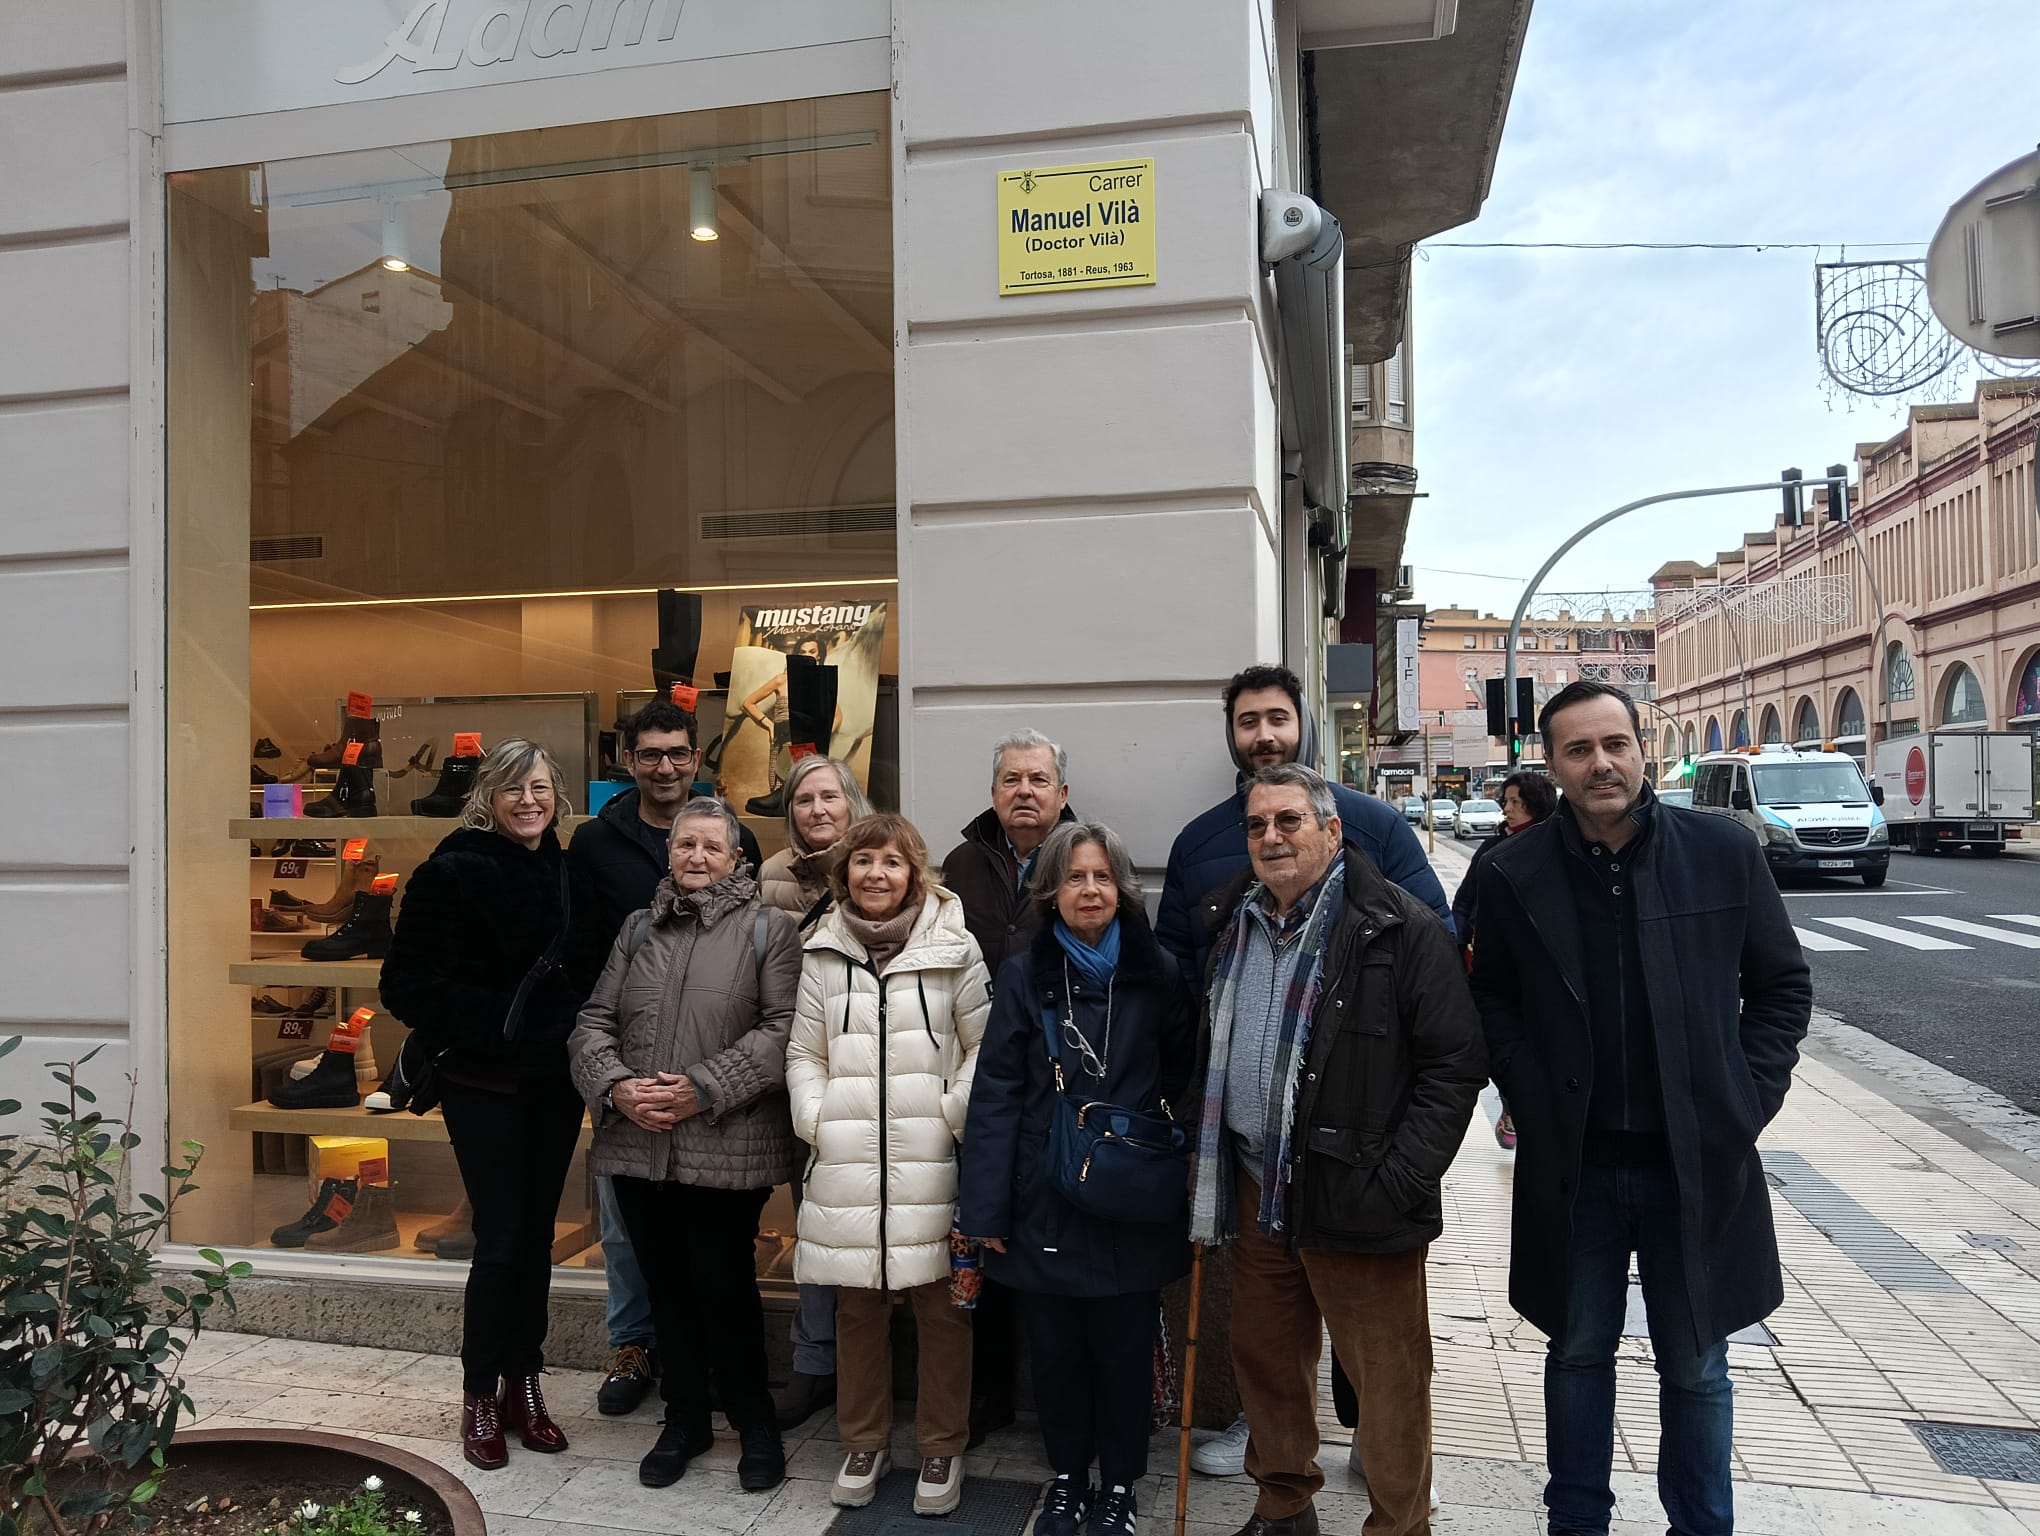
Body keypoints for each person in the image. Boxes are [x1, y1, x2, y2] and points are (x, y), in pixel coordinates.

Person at [1469, 681, 1811, 1536]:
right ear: (1551, 765)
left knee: (1696, 1365)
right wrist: (1528, 1092)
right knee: (1577, 1352)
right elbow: (1492, 1000)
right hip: (1574, 1165)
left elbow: (1781, 988)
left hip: (1693, 1161)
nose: (1601, 763)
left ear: (1642, 747)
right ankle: (1575, 1522)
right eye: (1578, 750)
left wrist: (1744, 1098)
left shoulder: (1721, 853)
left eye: (1614, 743)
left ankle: (1700, 1525)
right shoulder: (1513, 871)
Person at [1161, 665, 1452, 1481]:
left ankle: (1387, 1489)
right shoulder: (1206, 862)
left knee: (1383, 1361)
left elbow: (1444, 1024)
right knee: (1266, 1342)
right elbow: (1187, 986)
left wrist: (1400, 1171)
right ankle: (1280, 1485)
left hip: (1358, 1164)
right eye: (1247, 721)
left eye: (1276, 718)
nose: (1272, 837)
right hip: (1253, 1172)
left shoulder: (1377, 833)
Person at [1190, 764, 1485, 1536]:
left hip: (1360, 1191)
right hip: (1258, 1187)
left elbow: (1455, 1065)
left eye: (1289, 821)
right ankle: (1284, 1506)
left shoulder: (1398, 927)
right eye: (1257, 826)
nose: (1271, 838)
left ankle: (1399, 1524)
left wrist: (1398, 1182)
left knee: (1386, 1380)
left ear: (1333, 831)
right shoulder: (1231, 920)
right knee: (1266, 1359)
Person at [959, 823, 1195, 1536]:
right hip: (1043, 1193)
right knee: (1055, 1351)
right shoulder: (1026, 974)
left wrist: (1161, 1153)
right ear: (1051, 893)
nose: (1088, 890)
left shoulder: (1159, 974)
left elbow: (1184, 1077)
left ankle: (1119, 1485)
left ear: (1123, 888)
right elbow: (996, 1093)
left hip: (1132, 1194)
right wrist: (985, 1210)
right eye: (1073, 878)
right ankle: (1066, 1478)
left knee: (1124, 1352)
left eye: (1101, 877)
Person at [568, 797, 801, 1493]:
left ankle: (754, 1422)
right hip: (639, 1144)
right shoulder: (639, 929)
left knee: (724, 1286)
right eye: (683, 846)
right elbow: (591, 1022)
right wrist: (615, 1087)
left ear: (737, 858)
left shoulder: (769, 929)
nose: (696, 857)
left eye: (711, 847)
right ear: (668, 854)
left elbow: (783, 1030)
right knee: (665, 1288)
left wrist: (701, 1087)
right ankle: (685, 1420)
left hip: (724, 1145)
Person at [379, 738, 584, 1473]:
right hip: (484, 1083)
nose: (527, 802)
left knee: (535, 1239)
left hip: (553, 1085)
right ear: (487, 798)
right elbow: (404, 987)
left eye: (537, 788)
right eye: (512, 790)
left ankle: (523, 1384)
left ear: (553, 794)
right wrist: (502, 1021)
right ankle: (477, 1397)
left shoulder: (562, 866)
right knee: (498, 1239)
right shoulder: (453, 870)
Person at [786, 813, 992, 1519]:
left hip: (931, 1160)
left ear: (916, 873)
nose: (877, 873)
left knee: (943, 1311)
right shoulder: (821, 952)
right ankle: (863, 1440)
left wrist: (947, 1117)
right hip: (845, 1162)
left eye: (892, 862)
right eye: (864, 860)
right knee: (857, 1310)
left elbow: (981, 1051)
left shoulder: (955, 949)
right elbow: (803, 1053)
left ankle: (942, 1443)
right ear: (844, 873)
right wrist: (817, 1119)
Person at [565, 699, 762, 1416]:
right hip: (633, 1076)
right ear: (628, 761)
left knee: (713, 1260)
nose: (665, 765)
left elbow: (756, 983)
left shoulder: (735, 847)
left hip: (707, 1093)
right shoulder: (594, 842)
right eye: (650, 753)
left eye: (678, 752)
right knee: (627, 1235)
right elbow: (588, 968)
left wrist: (708, 1084)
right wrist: (611, 1078)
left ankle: (705, 1367)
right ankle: (634, 1345)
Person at [939, 727, 1076, 1446]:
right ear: (993, 792)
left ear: (1062, 792)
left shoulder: (1086, 861)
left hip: (1061, 1085)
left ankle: (1060, 1405)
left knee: (1055, 1241)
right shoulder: (961, 863)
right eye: (1012, 780)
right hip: (981, 1087)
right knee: (981, 1235)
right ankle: (988, 1393)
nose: (1025, 791)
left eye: (1038, 779)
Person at [755, 753, 872, 1430]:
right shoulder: (770, 878)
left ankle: (868, 1375)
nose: (818, 810)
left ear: (853, 803)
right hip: (801, 1079)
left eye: (830, 797)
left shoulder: (885, 863)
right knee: (816, 1228)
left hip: (877, 1077)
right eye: (803, 800)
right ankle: (816, 1366)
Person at [1450, 770, 1558, 1151]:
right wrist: (1456, 935)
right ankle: (1513, 1103)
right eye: (1506, 802)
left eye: (1516, 802)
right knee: (1493, 1039)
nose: (1508, 809)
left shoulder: (1554, 844)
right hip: (1482, 962)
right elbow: (1464, 899)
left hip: (1533, 971)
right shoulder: (1491, 847)